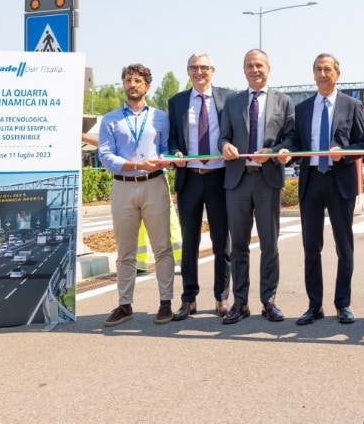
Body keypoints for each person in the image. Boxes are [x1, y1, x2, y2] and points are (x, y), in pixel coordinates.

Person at [281, 54, 364, 326]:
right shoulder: (304, 108)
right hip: (311, 181)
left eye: (327, 69)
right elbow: (296, 143)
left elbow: (363, 145)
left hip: (339, 181)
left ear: (337, 74)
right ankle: (314, 305)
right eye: (317, 69)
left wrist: (344, 153)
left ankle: (343, 303)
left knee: (344, 246)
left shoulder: (351, 105)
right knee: (311, 247)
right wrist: (287, 152)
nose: (322, 74)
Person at [218, 49, 296, 324]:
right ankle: (240, 302)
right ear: (244, 70)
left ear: (269, 68)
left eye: (259, 65)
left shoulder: (283, 101)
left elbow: (291, 138)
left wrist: (275, 150)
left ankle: (268, 300)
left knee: (269, 243)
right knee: (238, 244)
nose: (254, 69)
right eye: (249, 65)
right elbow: (223, 136)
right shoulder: (232, 102)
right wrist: (225, 145)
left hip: (267, 179)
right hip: (238, 180)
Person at [97, 63, 175, 327]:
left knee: (162, 248)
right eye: (128, 80)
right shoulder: (110, 119)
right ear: (123, 84)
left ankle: (166, 302)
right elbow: (106, 156)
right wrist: (135, 165)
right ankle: (124, 304)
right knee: (125, 251)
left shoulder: (161, 117)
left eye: (138, 81)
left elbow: (166, 149)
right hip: (123, 186)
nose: (133, 85)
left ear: (147, 86)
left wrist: (164, 159)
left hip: (155, 185)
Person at [167, 53, 234, 320]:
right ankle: (188, 298)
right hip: (190, 178)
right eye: (194, 67)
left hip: (220, 177)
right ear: (187, 71)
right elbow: (172, 138)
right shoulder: (177, 102)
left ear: (213, 70)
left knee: (221, 242)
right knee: (190, 241)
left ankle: (222, 297)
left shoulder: (228, 98)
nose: (199, 72)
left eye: (204, 67)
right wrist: (175, 153)